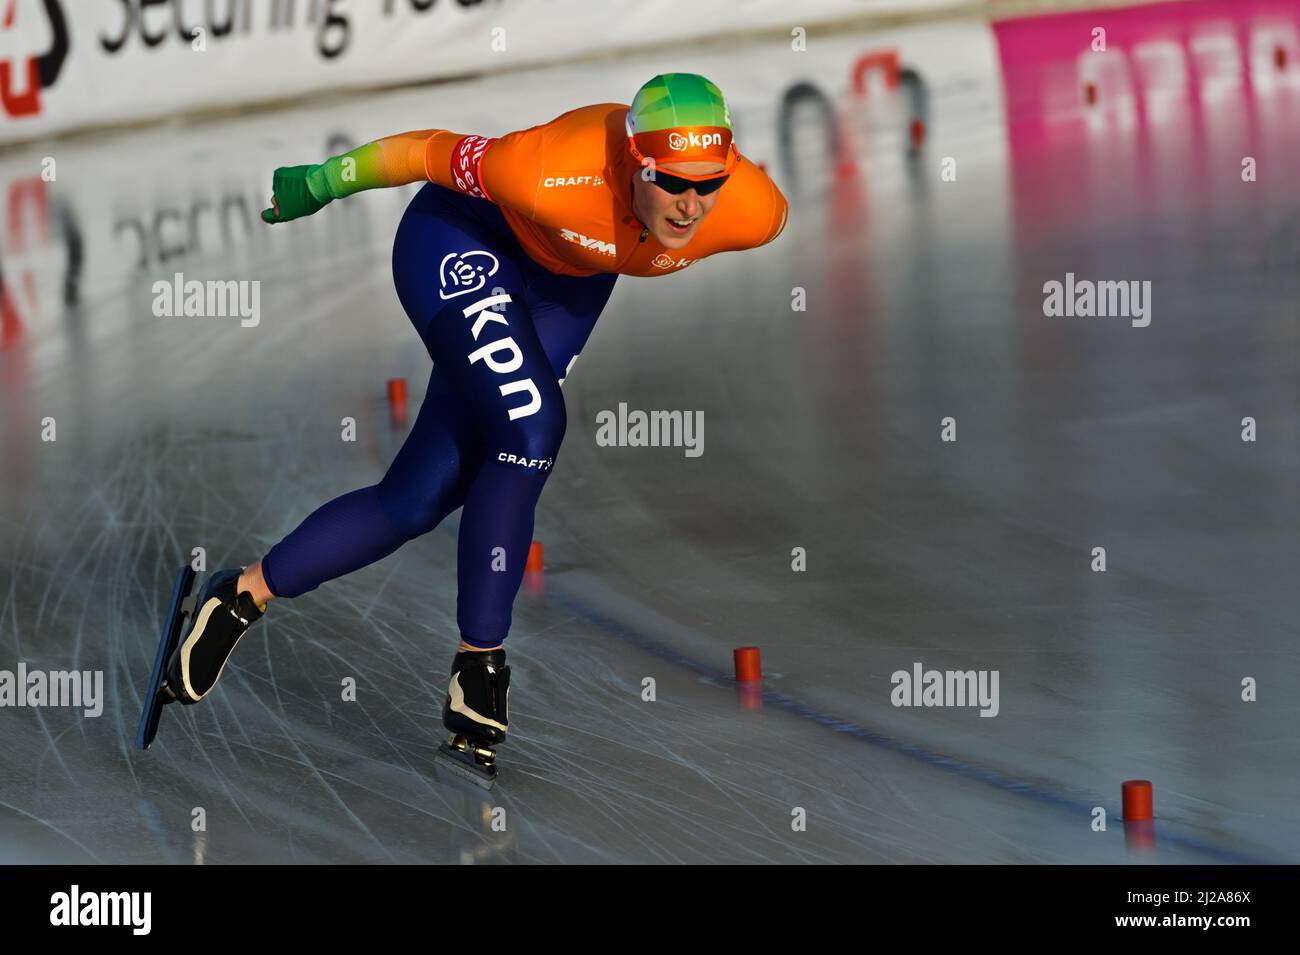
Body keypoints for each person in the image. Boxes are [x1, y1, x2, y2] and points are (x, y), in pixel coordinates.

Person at [159, 72, 788, 781]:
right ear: (634, 161)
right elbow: (423, 153)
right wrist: (321, 184)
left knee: (416, 499)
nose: (691, 204)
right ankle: (480, 662)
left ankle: (239, 597)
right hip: (459, 238)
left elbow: (722, 200)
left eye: (708, 183)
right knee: (531, 428)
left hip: (564, 287)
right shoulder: (547, 166)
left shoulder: (752, 210)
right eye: (673, 180)